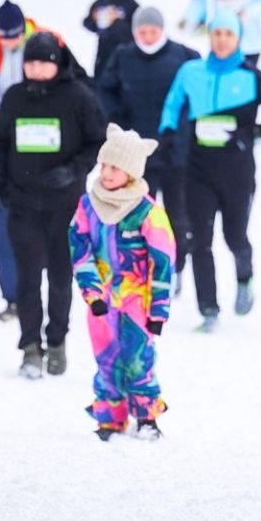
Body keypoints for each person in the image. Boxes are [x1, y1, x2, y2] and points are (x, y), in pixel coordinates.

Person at [158, 14, 261, 332]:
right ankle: (208, 309)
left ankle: (244, 278)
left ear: (239, 38)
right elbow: (172, 106)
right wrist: (168, 134)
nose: (221, 39)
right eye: (217, 33)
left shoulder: (254, 78)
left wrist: (252, 133)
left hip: (237, 173)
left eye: (229, 33)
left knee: (235, 237)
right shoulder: (191, 72)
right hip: (197, 171)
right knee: (199, 240)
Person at [0, 31, 106, 380]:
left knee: (59, 278)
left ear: (57, 64)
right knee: (27, 278)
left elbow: (97, 143)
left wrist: (71, 171)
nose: (36, 69)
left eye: (43, 62)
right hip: (23, 204)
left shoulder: (78, 97)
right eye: (30, 62)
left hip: (64, 205)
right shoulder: (13, 97)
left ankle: (56, 341)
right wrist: (0, 186)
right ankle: (29, 347)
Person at [72, 125, 175, 441]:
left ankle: (146, 417)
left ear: (130, 172)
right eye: (104, 165)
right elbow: (80, 246)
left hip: (136, 300)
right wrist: (92, 290)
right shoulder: (89, 205)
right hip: (101, 300)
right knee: (106, 357)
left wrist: (158, 310)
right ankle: (110, 417)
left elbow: (163, 259)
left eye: (115, 166)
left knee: (136, 357)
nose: (107, 172)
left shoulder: (147, 210)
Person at [96, 7, 200, 287]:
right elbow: (104, 89)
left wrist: (184, 129)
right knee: (138, 215)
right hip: (136, 157)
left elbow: (196, 93)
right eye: (143, 31)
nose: (148, 36)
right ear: (134, 32)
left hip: (176, 152)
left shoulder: (184, 56)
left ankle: (176, 269)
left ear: (162, 30)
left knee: (177, 214)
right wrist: (116, 118)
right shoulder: (123, 56)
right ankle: (141, 267)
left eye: (153, 31)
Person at [0, 0, 53, 320]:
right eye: (3, 36)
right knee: (2, 225)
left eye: (14, 35)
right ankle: (13, 297)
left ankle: (44, 286)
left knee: (42, 220)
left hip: (39, 145)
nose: (9, 42)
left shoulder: (48, 43)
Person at [82, 0, 138, 79]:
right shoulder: (99, 3)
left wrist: (116, 21)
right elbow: (87, 23)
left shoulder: (132, 6)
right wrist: (94, 19)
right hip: (103, 57)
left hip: (125, 58)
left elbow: (135, 34)